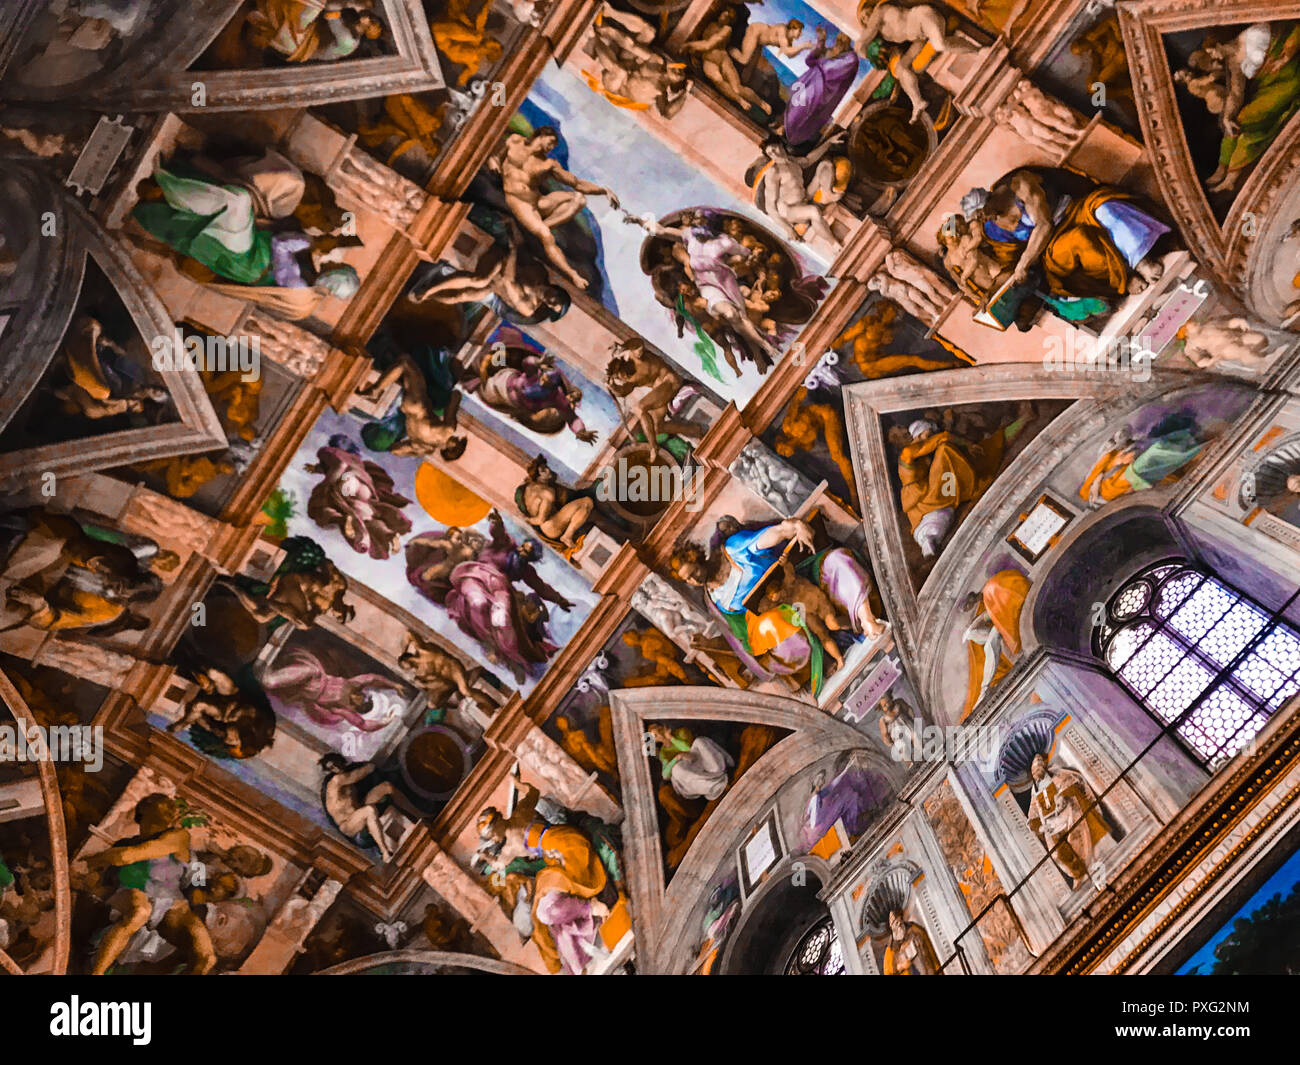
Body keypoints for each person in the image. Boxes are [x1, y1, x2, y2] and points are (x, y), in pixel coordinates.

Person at [961, 168, 1170, 308]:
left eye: (982, 213)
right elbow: (1009, 262)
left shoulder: (1019, 185)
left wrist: (1024, 263)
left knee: (1104, 209)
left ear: (987, 200)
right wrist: (994, 293)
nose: (984, 219)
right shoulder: (993, 226)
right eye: (979, 218)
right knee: (1078, 242)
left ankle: (1142, 261)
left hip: (1073, 212)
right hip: (1053, 243)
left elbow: (1044, 224)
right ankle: (1125, 277)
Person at [627, 209, 781, 372]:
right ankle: (764, 345)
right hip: (707, 286)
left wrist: (750, 261)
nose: (696, 224)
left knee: (742, 318)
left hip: (725, 282)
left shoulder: (724, 242)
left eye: (700, 221)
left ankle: (759, 350)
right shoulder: (689, 235)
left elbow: (745, 253)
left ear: (710, 223)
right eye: (696, 220)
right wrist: (639, 221)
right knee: (731, 315)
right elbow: (661, 230)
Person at [85, 793, 217, 975]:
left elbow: (126, 856)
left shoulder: (178, 836)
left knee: (206, 957)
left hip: (172, 905)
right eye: (163, 804)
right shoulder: (125, 843)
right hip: (134, 894)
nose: (170, 810)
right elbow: (108, 875)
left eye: (171, 808)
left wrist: (102, 858)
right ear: (145, 808)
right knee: (139, 912)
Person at [1176, 22, 1300, 193]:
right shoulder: (1233, 63)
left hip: (1290, 76)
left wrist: (1286, 56)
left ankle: (1231, 173)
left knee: (1245, 120)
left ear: (1219, 43)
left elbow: (1292, 28)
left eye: (1211, 52)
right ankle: (1225, 172)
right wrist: (1226, 117)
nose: (1214, 57)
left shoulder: (1255, 32)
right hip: (1268, 87)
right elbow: (1235, 93)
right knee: (1231, 124)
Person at [895, 404, 1033, 558]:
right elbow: (944, 437)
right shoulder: (908, 453)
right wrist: (969, 445)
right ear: (919, 435)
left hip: (929, 495)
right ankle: (931, 534)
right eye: (928, 434)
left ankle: (932, 534)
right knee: (945, 451)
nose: (930, 436)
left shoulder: (923, 451)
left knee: (980, 454)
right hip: (926, 498)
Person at [494, 127, 620, 290]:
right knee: (546, 236)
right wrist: (494, 160)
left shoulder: (548, 164)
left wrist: (604, 191)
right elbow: (497, 155)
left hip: (537, 202)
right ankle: (572, 272)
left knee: (579, 199)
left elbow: (577, 183)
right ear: (542, 135)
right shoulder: (515, 141)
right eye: (551, 142)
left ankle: (545, 226)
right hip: (519, 202)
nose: (551, 147)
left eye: (553, 145)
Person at [855, 1, 980, 121]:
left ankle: (977, 50)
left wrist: (859, 46)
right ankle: (917, 102)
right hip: (919, 37)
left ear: (872, 8)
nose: (866, 17)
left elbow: (864, 38)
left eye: (866, 12)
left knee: (940, 44)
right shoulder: (884, 33)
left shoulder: (880, 11)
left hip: (923, 17)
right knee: (902, 67)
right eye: (863, 19)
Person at [304, 439, 414, 558]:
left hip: (347, 479)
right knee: (368, 515)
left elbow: (341, 465)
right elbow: (329, 467)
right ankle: (388, 534)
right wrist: (317, 469)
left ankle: (346, 524)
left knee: (324, 506)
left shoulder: (333, 452)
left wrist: (325, 485)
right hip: (364, 489)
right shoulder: (358, 462)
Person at [355, 350, 469, 461]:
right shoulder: (424, 448)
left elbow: (454, 398)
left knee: (405, 362)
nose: (457, 438)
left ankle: (375, 390)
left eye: (458, 442)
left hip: (419, 404)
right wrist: (414, 452)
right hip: (407, 409)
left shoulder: (448, 430)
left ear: (453, 448)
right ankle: (376, 388)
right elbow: (394, 450)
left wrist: (458, 394)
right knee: (404, 364)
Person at [260, 647, 403, 733]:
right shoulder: (355, 684)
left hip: (305, 689)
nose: (362, 695)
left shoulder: (342, 709)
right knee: (277, 679)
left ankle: (269, 677)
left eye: (363, 700)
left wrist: (385, 722)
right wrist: (394, 685)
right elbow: (372, 678)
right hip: (313, 675)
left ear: (360, 706)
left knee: (273, 682)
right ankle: (270, 677)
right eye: (366, 696)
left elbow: (363, 724)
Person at [1027, 753, 1113, 890]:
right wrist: (1037, 825)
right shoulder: (1035, 793)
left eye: (1039, 764)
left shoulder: (1060, 776)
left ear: (1044, 765)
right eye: (1034, 768)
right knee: (1054, 846)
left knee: (1076, 821)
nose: (1037, 769)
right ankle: (1080, 873)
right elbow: (1034, 817)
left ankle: (1093, 862)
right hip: (1053, 826)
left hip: (1071, 814)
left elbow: (1077, 787)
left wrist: (1063, 801)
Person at [320, 754, 422, 863]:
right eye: (331, 767)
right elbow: (367, 770)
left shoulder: (345, 777)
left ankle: (418, 815)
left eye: (336, 763)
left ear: (340, 760)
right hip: (348, 824)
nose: (336, 767)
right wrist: (369, 766)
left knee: (386, 787)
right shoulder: (337, 780)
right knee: (369, 810)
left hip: (359, 810)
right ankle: (385, 852)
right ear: (328, 771)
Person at [960, 570, 1030, 718]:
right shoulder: (986, 597)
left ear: (971, 600)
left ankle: (985, 688)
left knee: (990, 642)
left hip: (1008, 618)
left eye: (968, 606)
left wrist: (973, 626)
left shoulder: (989, 591)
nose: (968, 608)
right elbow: (988, 615)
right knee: (976, 636)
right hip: (1001, 620)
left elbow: (991, 614)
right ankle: (985, 686)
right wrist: (971, 630)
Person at [783, 27, 859, 145]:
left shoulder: (851, 58)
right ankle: (786, 133)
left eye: (843, 39)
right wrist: (820, 44)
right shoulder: (833, 51)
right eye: (839, 38)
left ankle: (793, 139)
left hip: (820, 94)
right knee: (794, 108)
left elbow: (829, 70)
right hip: (809, 84)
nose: (839, 41)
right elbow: (809, 61)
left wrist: (825, 56)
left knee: (804, 114)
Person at [246, 0, 383, 62]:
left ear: (368, 28)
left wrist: (350, 4)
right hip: (309, 35)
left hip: (301, 45)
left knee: (313, 5)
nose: (368, 16)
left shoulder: (349, 41)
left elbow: (329, 14)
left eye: (370, 20)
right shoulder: (352, 26)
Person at [517, 455, 594, 551]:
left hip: (549, 524)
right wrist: (528, 520)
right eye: (545, 469)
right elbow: (541, 520)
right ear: (540, 474)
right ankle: (567, 535)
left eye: (547, 467)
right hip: (552, 527)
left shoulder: (529, 487)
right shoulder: (547, 493)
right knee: (587, 502)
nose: (549, 470)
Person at [881, 908, 939, 974]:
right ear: (890, 926)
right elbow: (888, 972)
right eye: (893, 921)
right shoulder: (890, 950)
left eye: (897, 918)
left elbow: (930, 952)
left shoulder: (915, 930)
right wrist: (901, 966)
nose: (898, 923)